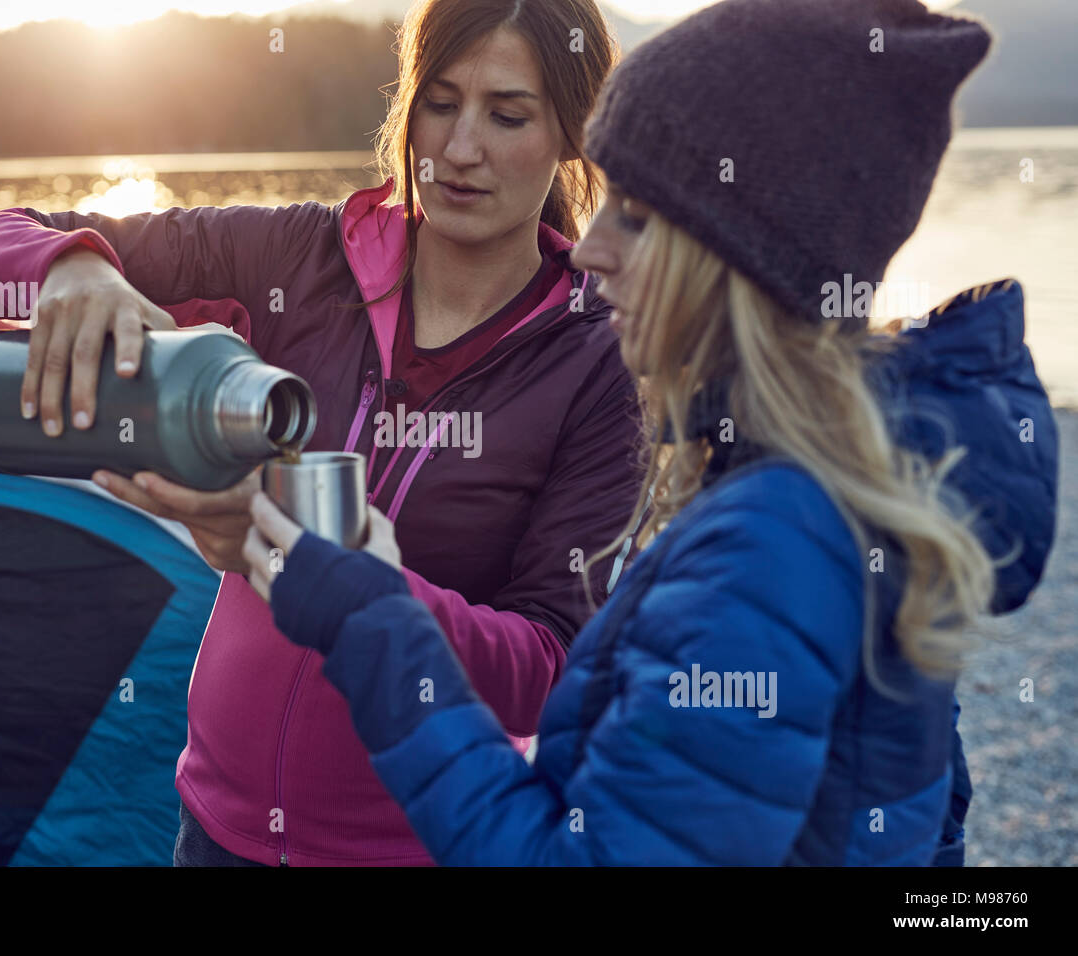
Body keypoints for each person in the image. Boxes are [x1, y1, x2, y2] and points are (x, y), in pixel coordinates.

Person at [241, 0, 1058, 864]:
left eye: (631, 212)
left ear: (733, 254)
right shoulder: (845, 485)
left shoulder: (771, 551)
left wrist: (372, 621)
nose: (588, 250)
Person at [0, 0, 642, 865]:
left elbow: (553, 669)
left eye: (507, 114)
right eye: (440, 102)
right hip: (215, 831)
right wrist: (70, 267)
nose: (459, 150)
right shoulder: (301, 259)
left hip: (415, 846)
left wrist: (340, 580)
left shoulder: (597, 359)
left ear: (575, 131)